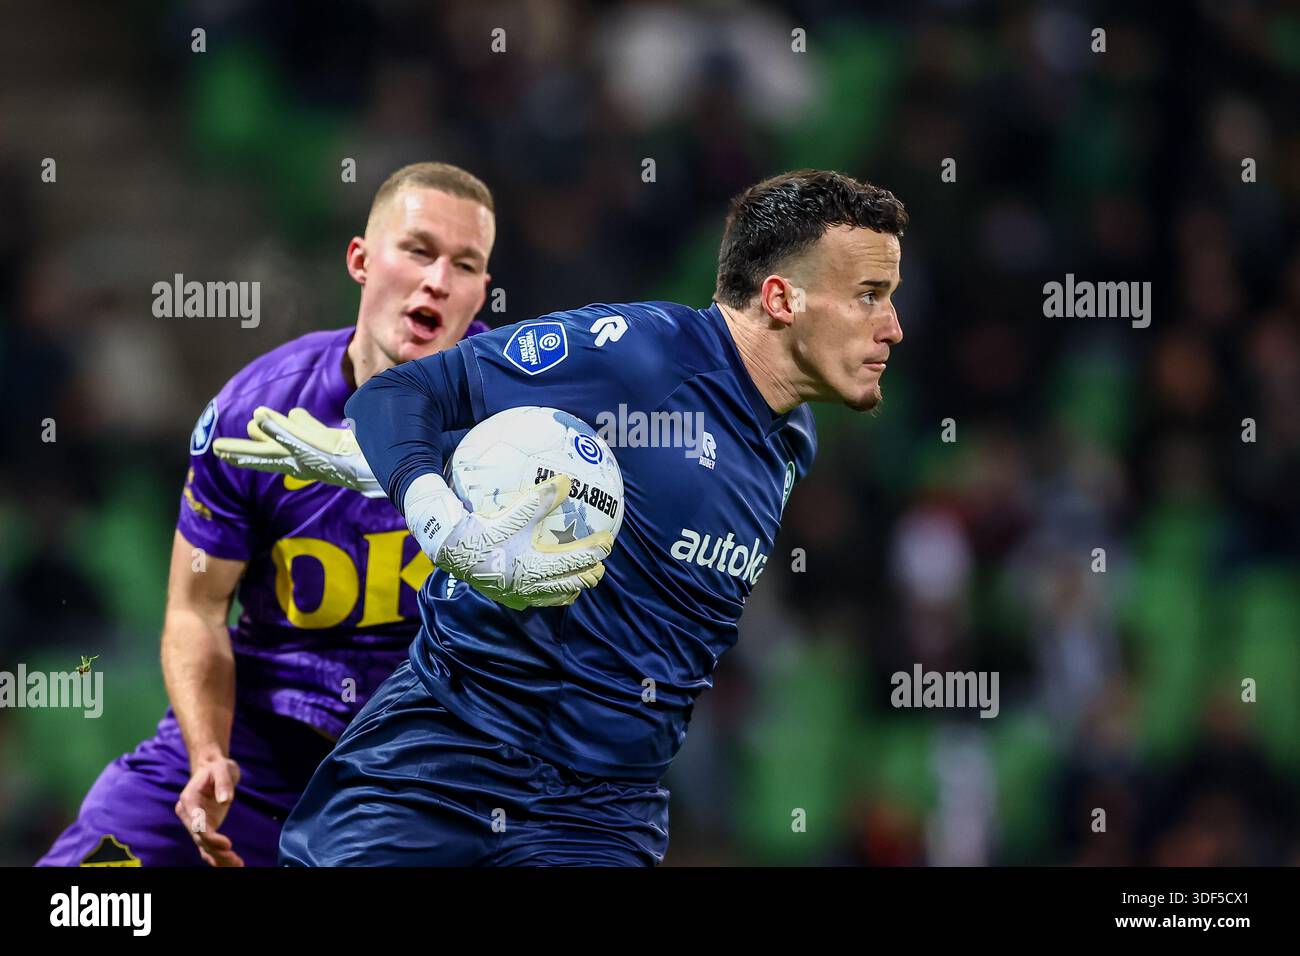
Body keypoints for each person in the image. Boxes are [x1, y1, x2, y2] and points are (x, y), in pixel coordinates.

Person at [259, 168, 907, 866]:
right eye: (869, 296)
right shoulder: (636, 354)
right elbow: (398, 395)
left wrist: (456, 461)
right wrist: (436, 510)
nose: (894, 327)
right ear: (782, 297)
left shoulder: (791, 439)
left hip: (601, 814)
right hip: (445, 756)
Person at [37, 162, 515, 867]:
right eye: (418, 250)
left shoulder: (517, 428)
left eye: (465, 264)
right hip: (257, 750)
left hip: (421, 781)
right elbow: (195, 609)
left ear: (481, 294)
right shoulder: (257, 415)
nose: (438, 280)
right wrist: (206, 755)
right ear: (360, 259)